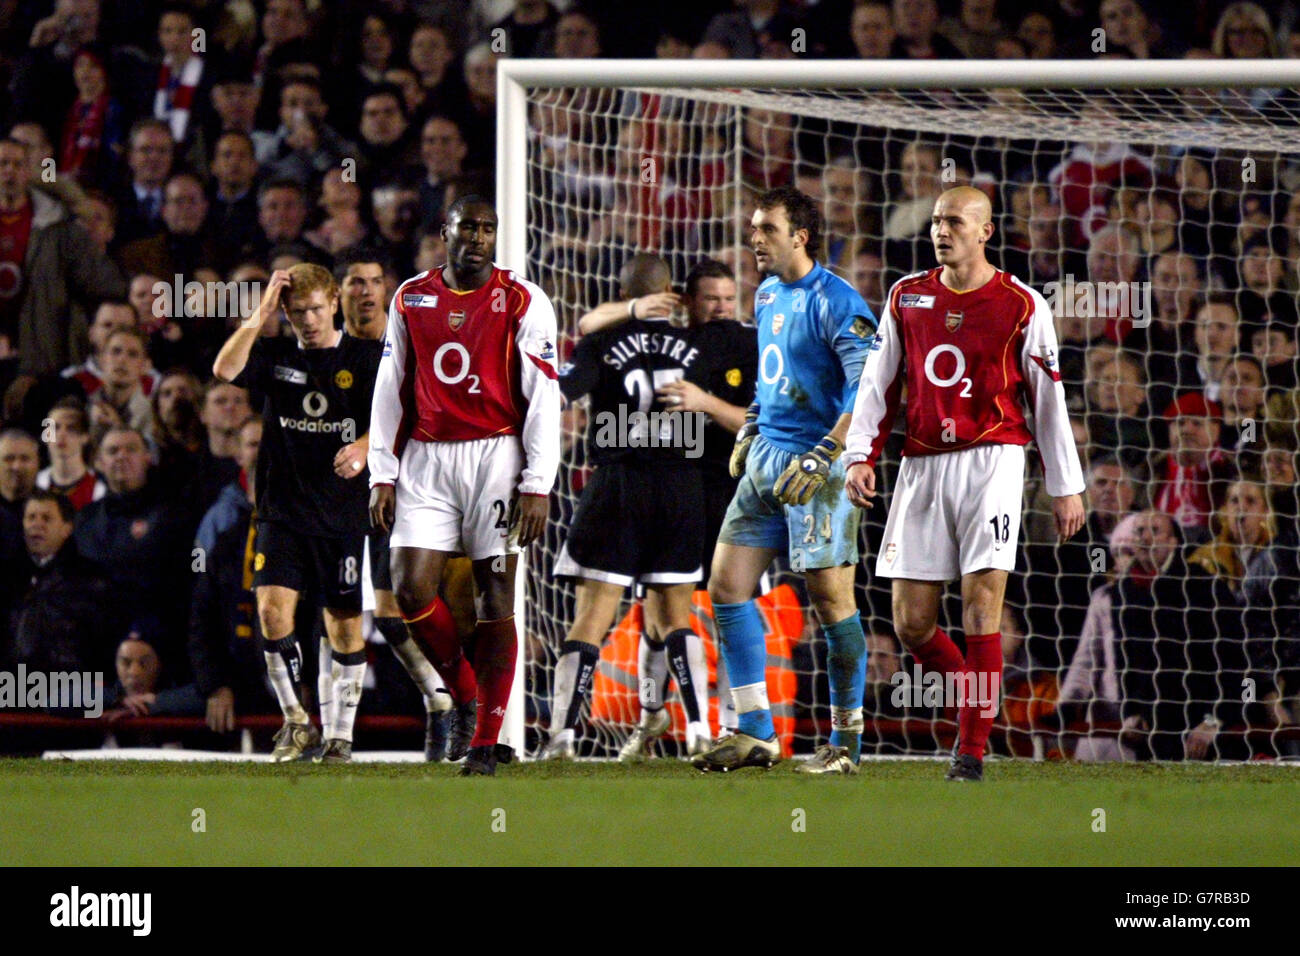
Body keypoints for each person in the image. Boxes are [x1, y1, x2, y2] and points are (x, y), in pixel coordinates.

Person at [844, 186, 1086, 782]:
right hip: (922, 463)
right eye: (935, 221)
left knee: (982, 610)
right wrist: (858, 455)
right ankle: (980, 706)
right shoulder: (906, 296)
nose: (940, 230)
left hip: (994, 462)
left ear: (985, 231)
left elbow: (1048, 398)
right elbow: (880, 384)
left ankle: (970, 751)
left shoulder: (1023, 304)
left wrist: (1065, 484)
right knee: (911, 623)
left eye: (954, 221)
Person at [368, 196, 561, 776]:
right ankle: (465, 692)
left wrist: (537, 482)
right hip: (427, 457)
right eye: (467, 228)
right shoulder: (410, 296)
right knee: (409, 588)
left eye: (487, 228)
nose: (478, 237)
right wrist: (384, 470)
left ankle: (485, 739)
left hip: (496, 456)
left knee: (494, 597)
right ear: (444, 233)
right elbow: (390, 385)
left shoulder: (523, 299)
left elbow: (544, 394)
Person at [694, 185, 876, 775]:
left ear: (800, 236)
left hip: (819, 469)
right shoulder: (768, 292)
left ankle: (844, 744)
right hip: (767, 461)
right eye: (753, 228)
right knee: (726, 585)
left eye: (767, 229)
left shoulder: (840, 302)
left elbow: (864, 392)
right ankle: (754, 733)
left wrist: (826, 453)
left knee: (830, 599)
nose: (755, 240)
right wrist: (749, 426)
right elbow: (773, 378)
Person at [575, 257, 758, 739]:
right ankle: (653, 716)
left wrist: (707, 404)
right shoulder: (679, 346)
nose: (721, 308)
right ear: (685, 302)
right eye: (711, 299)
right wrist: (634, 306)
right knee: (659, 611)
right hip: (674, 487)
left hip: (731, 491)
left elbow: (761, 426)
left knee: (729, 605)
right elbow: (590, 324)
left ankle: (735, 725)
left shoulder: (748, 343)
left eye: (728, 298)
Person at [539, 254, 710, 761]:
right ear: (671, 293)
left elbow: (560, 393)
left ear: (622, 293)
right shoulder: (699, 346)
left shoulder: (601, 339)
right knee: (676, 617)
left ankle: (561, 740)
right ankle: (700, 730)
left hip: (619, 483)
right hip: (682, 485)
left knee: (592, 617)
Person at [213, 263, 380, 763]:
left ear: (333, 303)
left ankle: (340, 738)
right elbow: (224, 369)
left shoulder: (367, 358)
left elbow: (403, 416)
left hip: (344, 516)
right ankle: (294, 722)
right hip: (281, 513)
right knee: (270, 613)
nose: (307, 320)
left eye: (314, 309)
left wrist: (367, 446)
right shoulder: (275, 355)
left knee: (344, 627)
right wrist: (261, 313)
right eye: (296, 311)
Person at [336, 252, 456, 760]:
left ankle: (449, 699)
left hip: (400, 488)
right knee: (338, 613)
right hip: (335, 499)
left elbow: (416, 406)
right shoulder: (328, 348)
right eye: (355, 282)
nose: (366, 291)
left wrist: (368, 446)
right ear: (338, 292)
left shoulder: (406, 340)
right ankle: (330, 733)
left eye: (375, 281)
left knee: (395, 611)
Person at [35, 396, 105, 510]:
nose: (62, 434)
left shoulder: (100, 488)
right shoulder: (35, 484)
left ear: (85, 436)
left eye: (71, 428)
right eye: (55, 427)